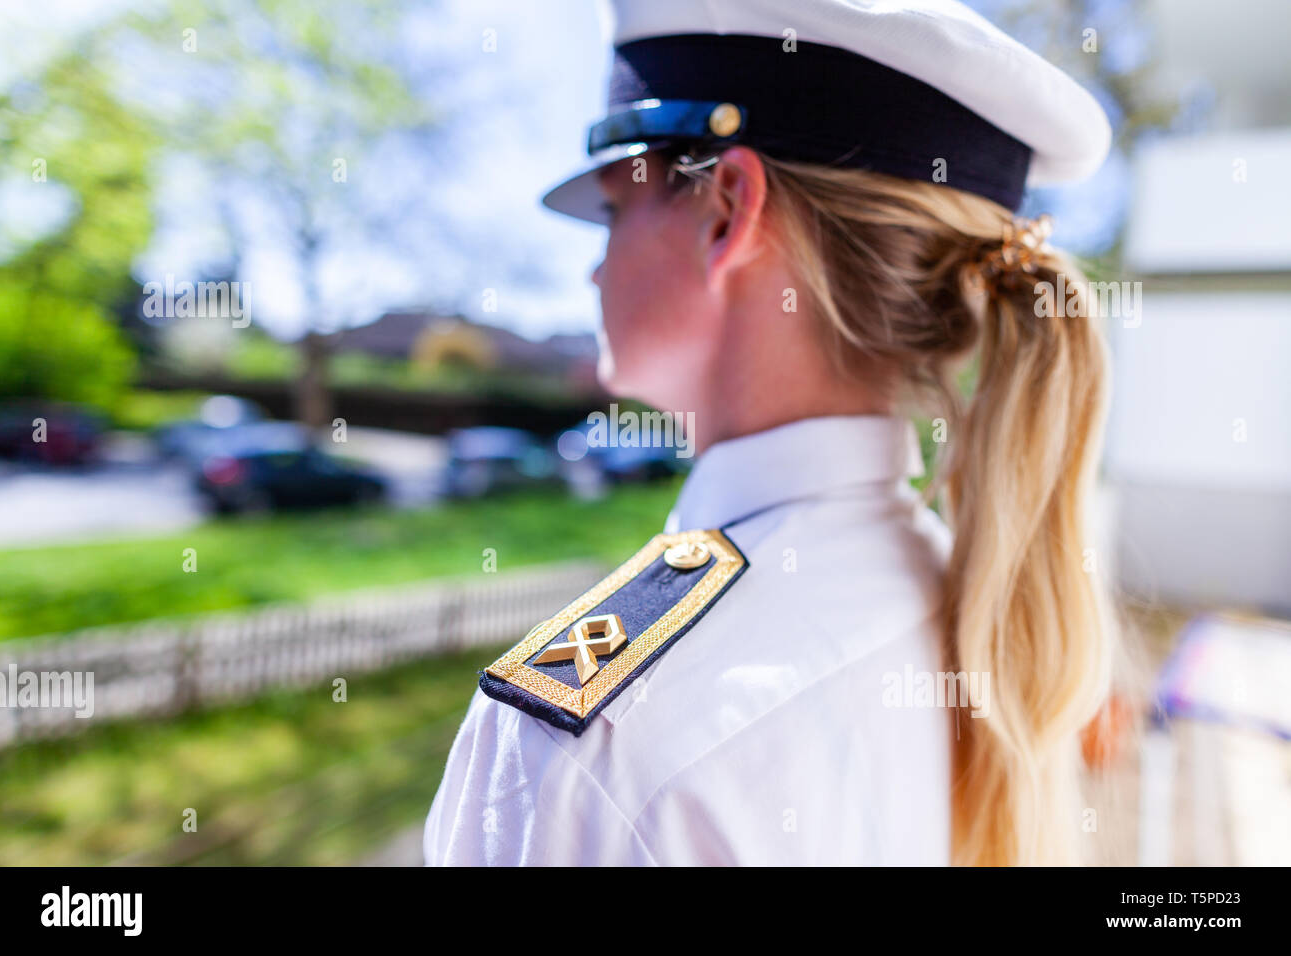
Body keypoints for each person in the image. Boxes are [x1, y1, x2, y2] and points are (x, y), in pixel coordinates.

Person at [423, 0, 1117, 866]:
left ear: (725, 212)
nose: (592, 265)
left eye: (611, 210)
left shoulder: (584, 753)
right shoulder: (958, 594)